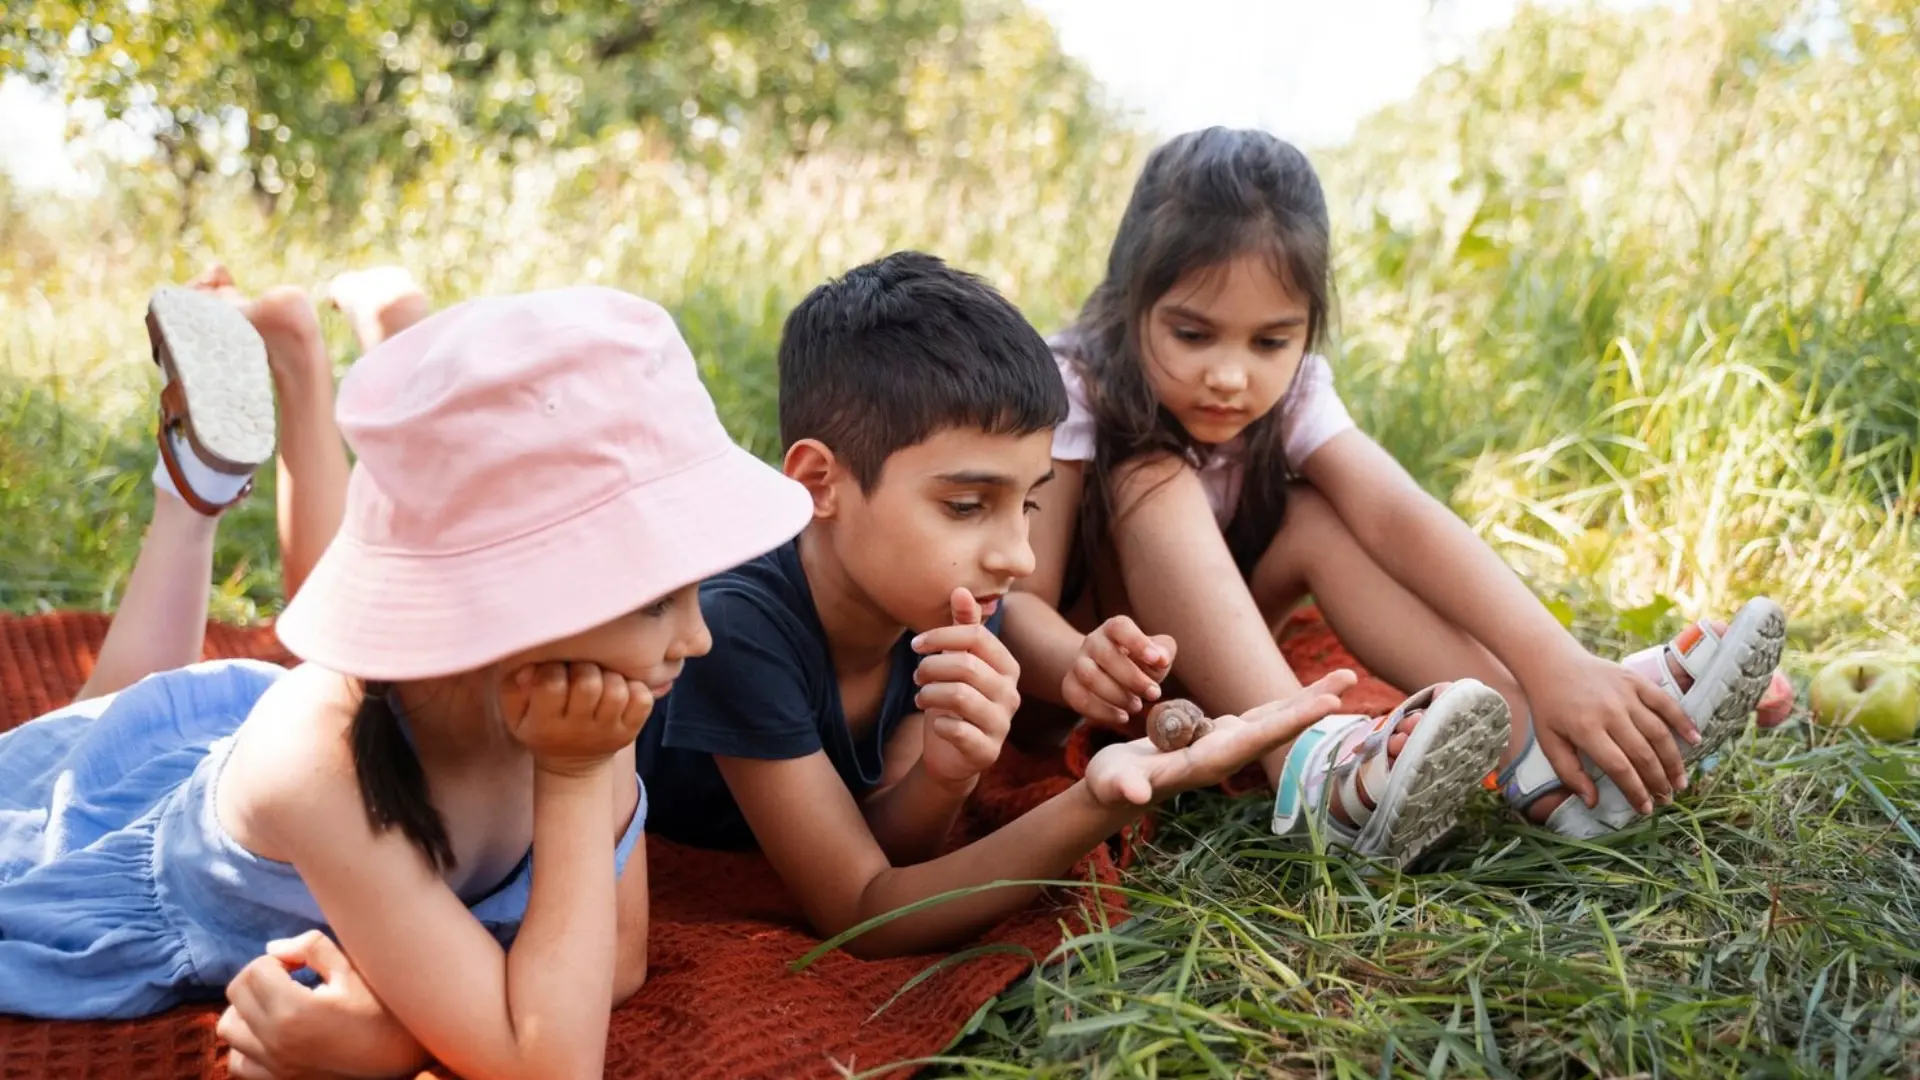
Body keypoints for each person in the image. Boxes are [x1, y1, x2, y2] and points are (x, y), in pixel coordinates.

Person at [0, 278, 812, 1080]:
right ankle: (191, 495)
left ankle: (272, 391)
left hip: (288, 741)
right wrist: (568, 783)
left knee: (125, 709)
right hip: (164, 840)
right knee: (86, 743)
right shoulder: (322, 766)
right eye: (657, 603)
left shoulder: (589, 701)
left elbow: (619, 963)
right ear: (517, 605)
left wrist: (400, 1037)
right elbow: (553, 1064)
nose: (698, 638)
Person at [1001, 126, 1792, 851]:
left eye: (1271, 340)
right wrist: (1079, 659)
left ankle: (1539, 752)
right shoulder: (1077, 380)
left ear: (1309, 324)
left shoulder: (1298, 392)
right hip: (1086, 689)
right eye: (1192, 333)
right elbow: (1017, 603)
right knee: (1151, 472)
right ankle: (1303, 766)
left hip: (1211, 668)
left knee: (1319, 515)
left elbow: (1398, 516)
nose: (1231, 374)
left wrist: (1556, 661)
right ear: (1131, 298)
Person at [633, 250, 1367, 957]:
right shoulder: (738, 627)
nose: (1017, 557)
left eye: (1027, 505)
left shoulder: (933, 602)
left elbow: (891, 845)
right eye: (965, 505)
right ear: (819, 483)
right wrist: (1102, 799)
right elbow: (865, 910)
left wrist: (945, 776)